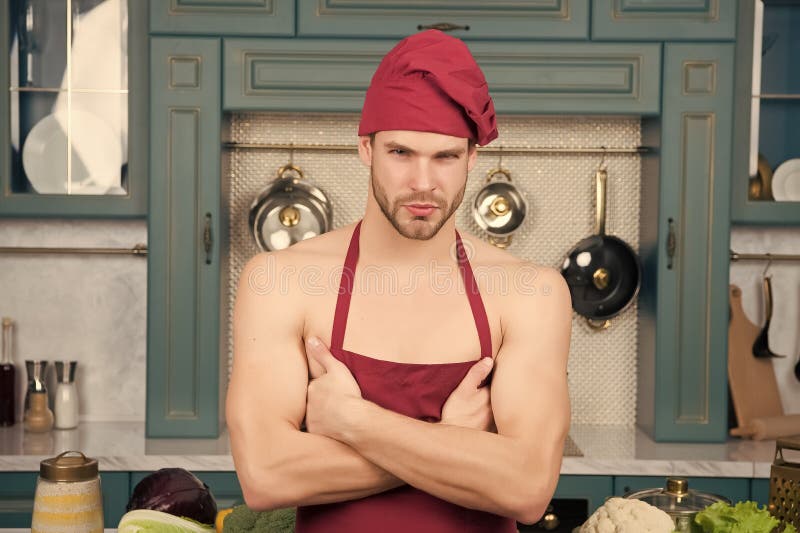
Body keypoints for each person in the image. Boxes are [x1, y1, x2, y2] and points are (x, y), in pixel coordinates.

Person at [227, 29, 572, 532]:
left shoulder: (531, 294)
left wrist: (353, 422)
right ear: (366, 148)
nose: (423, 183)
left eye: (446, 157)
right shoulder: (279, 281)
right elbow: (265, 476)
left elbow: (526, 489)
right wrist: (454, 442)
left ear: (473, 158)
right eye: (401, 153)